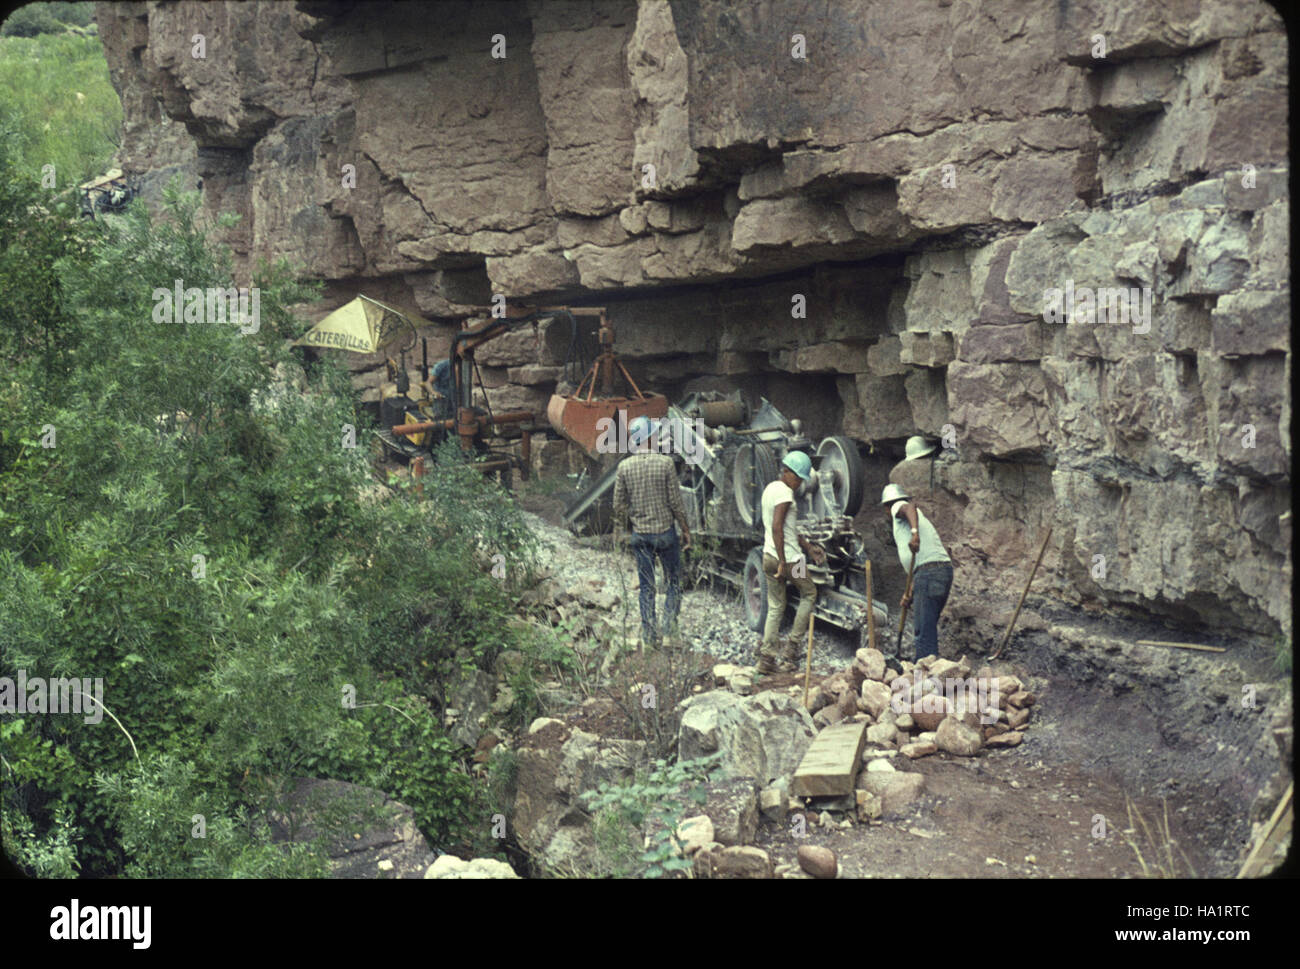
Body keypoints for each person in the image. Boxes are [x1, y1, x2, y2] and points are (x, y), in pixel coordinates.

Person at [612, 415, 692, 648]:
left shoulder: (624, 467)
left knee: (646, 587)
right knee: (673, 582)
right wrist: (685, 529)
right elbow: (676, 502)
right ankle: (669, 631)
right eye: (654, 434)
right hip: (665, 533)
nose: (657, 437)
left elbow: (618, 505)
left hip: (641, 536)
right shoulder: (665, 463)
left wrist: (630, 525)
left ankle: (649, 637)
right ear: (648, 437)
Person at [757, 451, 825, 675]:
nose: (799, 484)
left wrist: (809, 547)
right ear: (788, 472)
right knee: (809, 593)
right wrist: (784, 562)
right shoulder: (785, 493)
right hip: (789, 559)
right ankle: (792, 650)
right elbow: (778, 527)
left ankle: (766, 659)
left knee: (775, 607)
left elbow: (788, 529)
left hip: (767, 555)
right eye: (799, 478)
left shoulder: (769, 489)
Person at [881, 483, 953, 662]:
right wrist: (910, 593)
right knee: (927, 627)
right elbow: (920, 566)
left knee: (922, 630)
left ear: (887, 507)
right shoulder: (908, 521)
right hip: (939, 572)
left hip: (929, 574)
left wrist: (914, 534)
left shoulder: (898, 507)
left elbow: (909, 506)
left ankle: (926, 675)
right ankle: (930, 669)